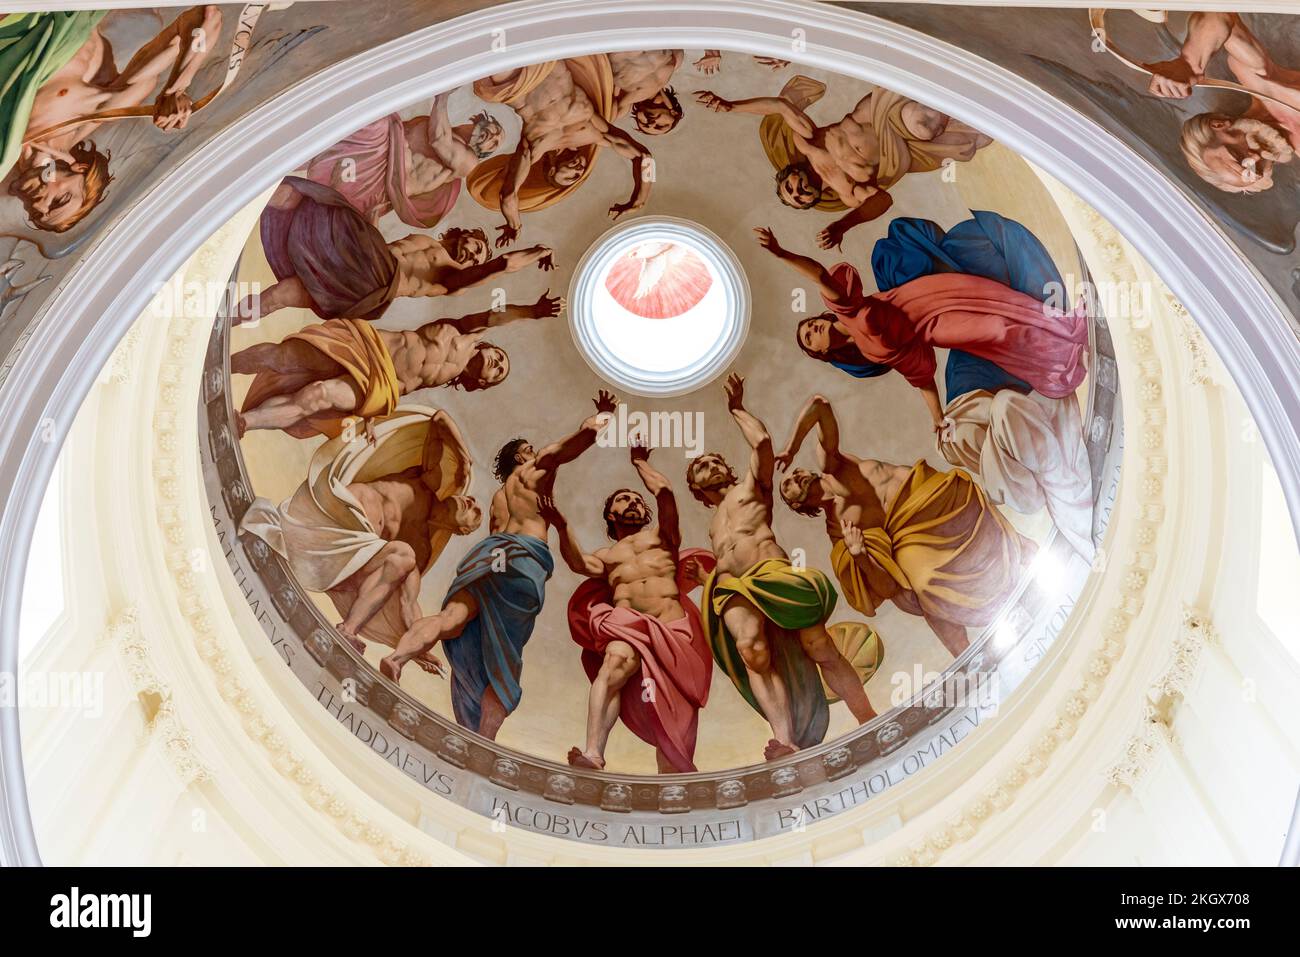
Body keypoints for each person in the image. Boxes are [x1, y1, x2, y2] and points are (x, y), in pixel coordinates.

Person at [379, 391, 618, 741]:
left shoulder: (497, 497)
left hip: (490, 555)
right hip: (523, 560)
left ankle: (397, 659)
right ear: (522, 455)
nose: (536, 452)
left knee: (451, 620)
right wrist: (605, 415)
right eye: (530, 449)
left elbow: (495, 536)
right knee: (506, 665)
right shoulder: (535, 470)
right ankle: (485, 739)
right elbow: (581, 439)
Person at [685, 374, 875, 762]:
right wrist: (709, 580)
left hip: (771, 571)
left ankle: (867, 716)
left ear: (728, 469)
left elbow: (762, 443)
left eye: (712, 459)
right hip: (731, 586)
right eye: (699, 466)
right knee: (752, 650)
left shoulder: (752, 488)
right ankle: (784, 741)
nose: (706, 463)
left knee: (819, 645)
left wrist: (736, 408)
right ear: (696, 490)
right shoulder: (712, 522)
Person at [755, 225, 1089, 435]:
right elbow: (921, 378)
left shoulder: (845, 306)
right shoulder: (872, 352)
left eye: (810, 325)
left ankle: (1063, 326)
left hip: (930, 294)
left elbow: (819, 275)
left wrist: (780, 252)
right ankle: (1060, 353)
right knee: (997, 329)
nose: (813, 328)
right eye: (810, 338)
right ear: (822, 353)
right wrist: (937, 417)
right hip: (934, 327)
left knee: (1001, 301)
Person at [777, 394, 1031, 656]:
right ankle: (967, 655)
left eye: (794, 472)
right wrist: (860, 555)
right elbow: (886, 587)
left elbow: (820, 405)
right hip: (909, 533)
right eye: (787, 485)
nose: (794, 475)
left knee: (985, 529)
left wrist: (790, 448)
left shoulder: (832, 464)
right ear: (797, 505)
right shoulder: (840, 530)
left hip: (930, 495)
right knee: (921, 586)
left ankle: (1037, 558)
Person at [240, 407, 480, 668]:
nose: (471, 501)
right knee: (402, 555)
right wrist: (465, 458)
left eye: (476, 512)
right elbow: (439, 419)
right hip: (326, 517)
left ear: (462, 531)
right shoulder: (428, 480)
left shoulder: (418, 548)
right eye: (472, 499)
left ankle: (348, 630)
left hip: (344, 555)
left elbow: (408, 604)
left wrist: (416, 648)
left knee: (403, 558)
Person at [544, 440, 714, 773]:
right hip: (628, 624)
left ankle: (675, 780)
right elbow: (578, 564)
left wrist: (639, 462)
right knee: (613, 664)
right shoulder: (607, 556)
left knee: (676, 713)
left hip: (672, 628)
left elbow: (664, 493)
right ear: (611, 514)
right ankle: (594, 753)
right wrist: (561, 526)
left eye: (637, 499)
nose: (633, 501)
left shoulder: (662, 538)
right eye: (625, 499)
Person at [694, 75, 989, 248]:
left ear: (789, 172)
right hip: (899, 138)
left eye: (789, 188)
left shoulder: (808, 144)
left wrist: (731, 106)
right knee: (940, 128)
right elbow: (882, 201)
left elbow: (782, 107)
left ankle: (959, 82)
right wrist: (843, 226)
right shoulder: (848, 191)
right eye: (799, 199)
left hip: (876, 112)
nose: (797, 192)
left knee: (925, 119)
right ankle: (973, 89)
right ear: (815, 200)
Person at [2, 7, 223, 232]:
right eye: (60, 199)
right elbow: (202, 18)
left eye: (38, 213)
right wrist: (177, 87)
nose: (39, 203)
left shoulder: (5, 155)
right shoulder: (98, 109)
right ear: (80, 168)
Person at [231, 290, 561, 439]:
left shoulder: (446, 375)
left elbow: (407, 390)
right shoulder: (466, 333)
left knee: (314, 397)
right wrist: (534, 311)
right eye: (501, 357)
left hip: (382, 386)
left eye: (498, 371)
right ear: (490, 346)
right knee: (284, 357)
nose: (497, 363)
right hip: (368, 346)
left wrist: (373, 418)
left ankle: (245, 422)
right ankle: (223, 364)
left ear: (485, 382)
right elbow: (498, 316)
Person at [232, 176, 555, 325]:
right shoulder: (428, 241)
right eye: (476, 247)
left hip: (374, 285)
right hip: (360, 256)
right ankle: (238, 194)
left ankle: (221, 322)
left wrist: (537, 252)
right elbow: (380, 246)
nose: (472, 256)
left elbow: (502, 264)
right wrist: (369, 218)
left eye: (476, 259)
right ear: (466, 234)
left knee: (288, 294)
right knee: (303, 197)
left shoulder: (453, 278)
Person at [466, 56, 654, 245]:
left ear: (552, 171)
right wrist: (640, 197)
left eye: (570, 176)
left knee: (497, 48)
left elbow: (508, 196)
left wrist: (514, 226)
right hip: (547, 59)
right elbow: (645, 157)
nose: (578, 171)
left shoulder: (535, 146)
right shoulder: (593, 132)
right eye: (579, 175)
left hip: (515, 83)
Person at [1144, 12, 1299, 193]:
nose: (1254, 158)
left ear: (1219, 125)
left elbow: (1218, 12)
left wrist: (1190, 64)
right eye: (1253, 169)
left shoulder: (1257, 78)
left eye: (1237, 154)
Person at [304, 90, 504, 228]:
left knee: (376, 121)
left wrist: (442, 96)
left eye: (494, 144)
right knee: (371, 116)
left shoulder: (469, 161)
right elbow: (405, 132)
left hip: (384, 180)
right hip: (380, 154)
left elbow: (438, 140)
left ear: (485, 152)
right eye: (495, 131)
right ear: (482, 120)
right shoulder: (444, 125)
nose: (492, 138)